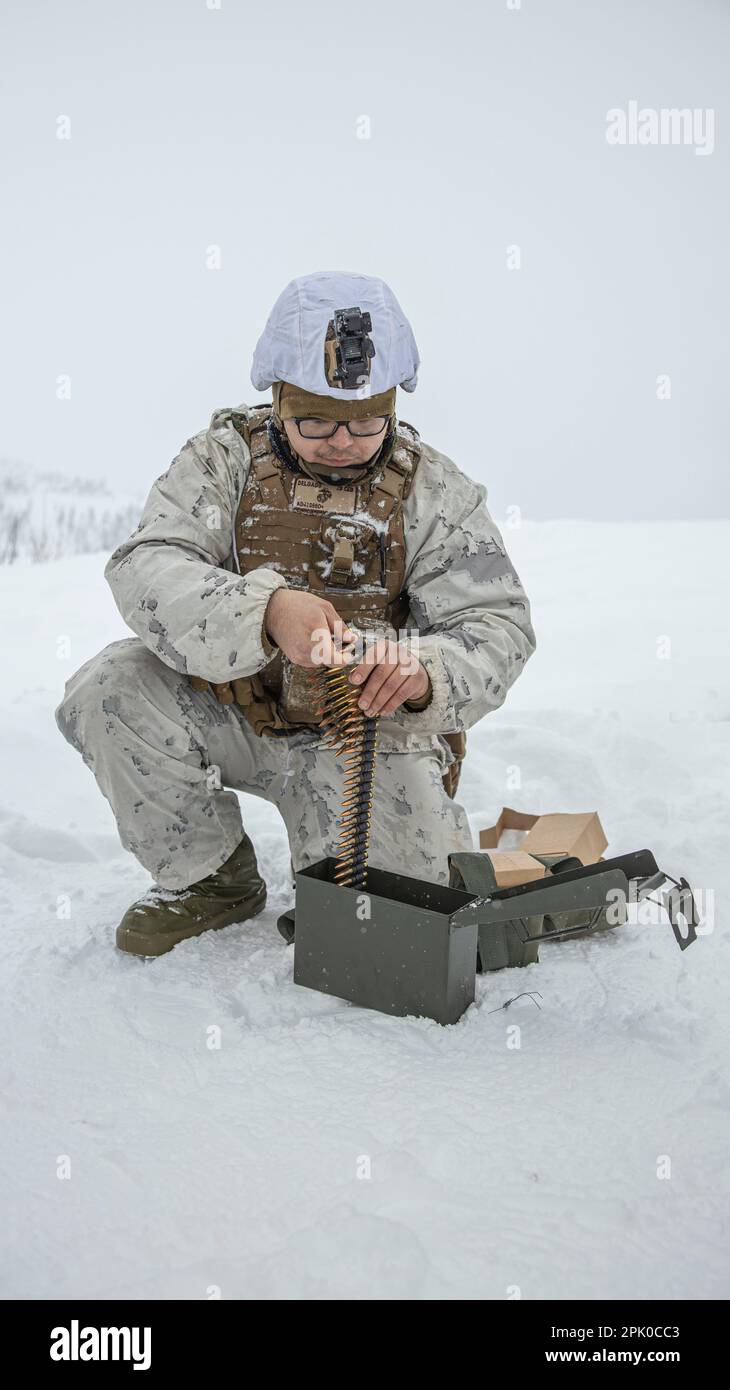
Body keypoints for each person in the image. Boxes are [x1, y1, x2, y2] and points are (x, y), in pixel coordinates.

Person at [56, 271, 536, 956]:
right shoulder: (221, 461)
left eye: (366, 422)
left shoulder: (436, 490)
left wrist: (421, 672)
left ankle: (340, 875)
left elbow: (499, 628)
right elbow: (148, 567)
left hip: (366, 737)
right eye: (314, 421)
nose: (341, 441)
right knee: (111, 689)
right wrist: (266, 611)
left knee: (398, 935)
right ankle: (208, 877)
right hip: (234, 714)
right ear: (277, 401)